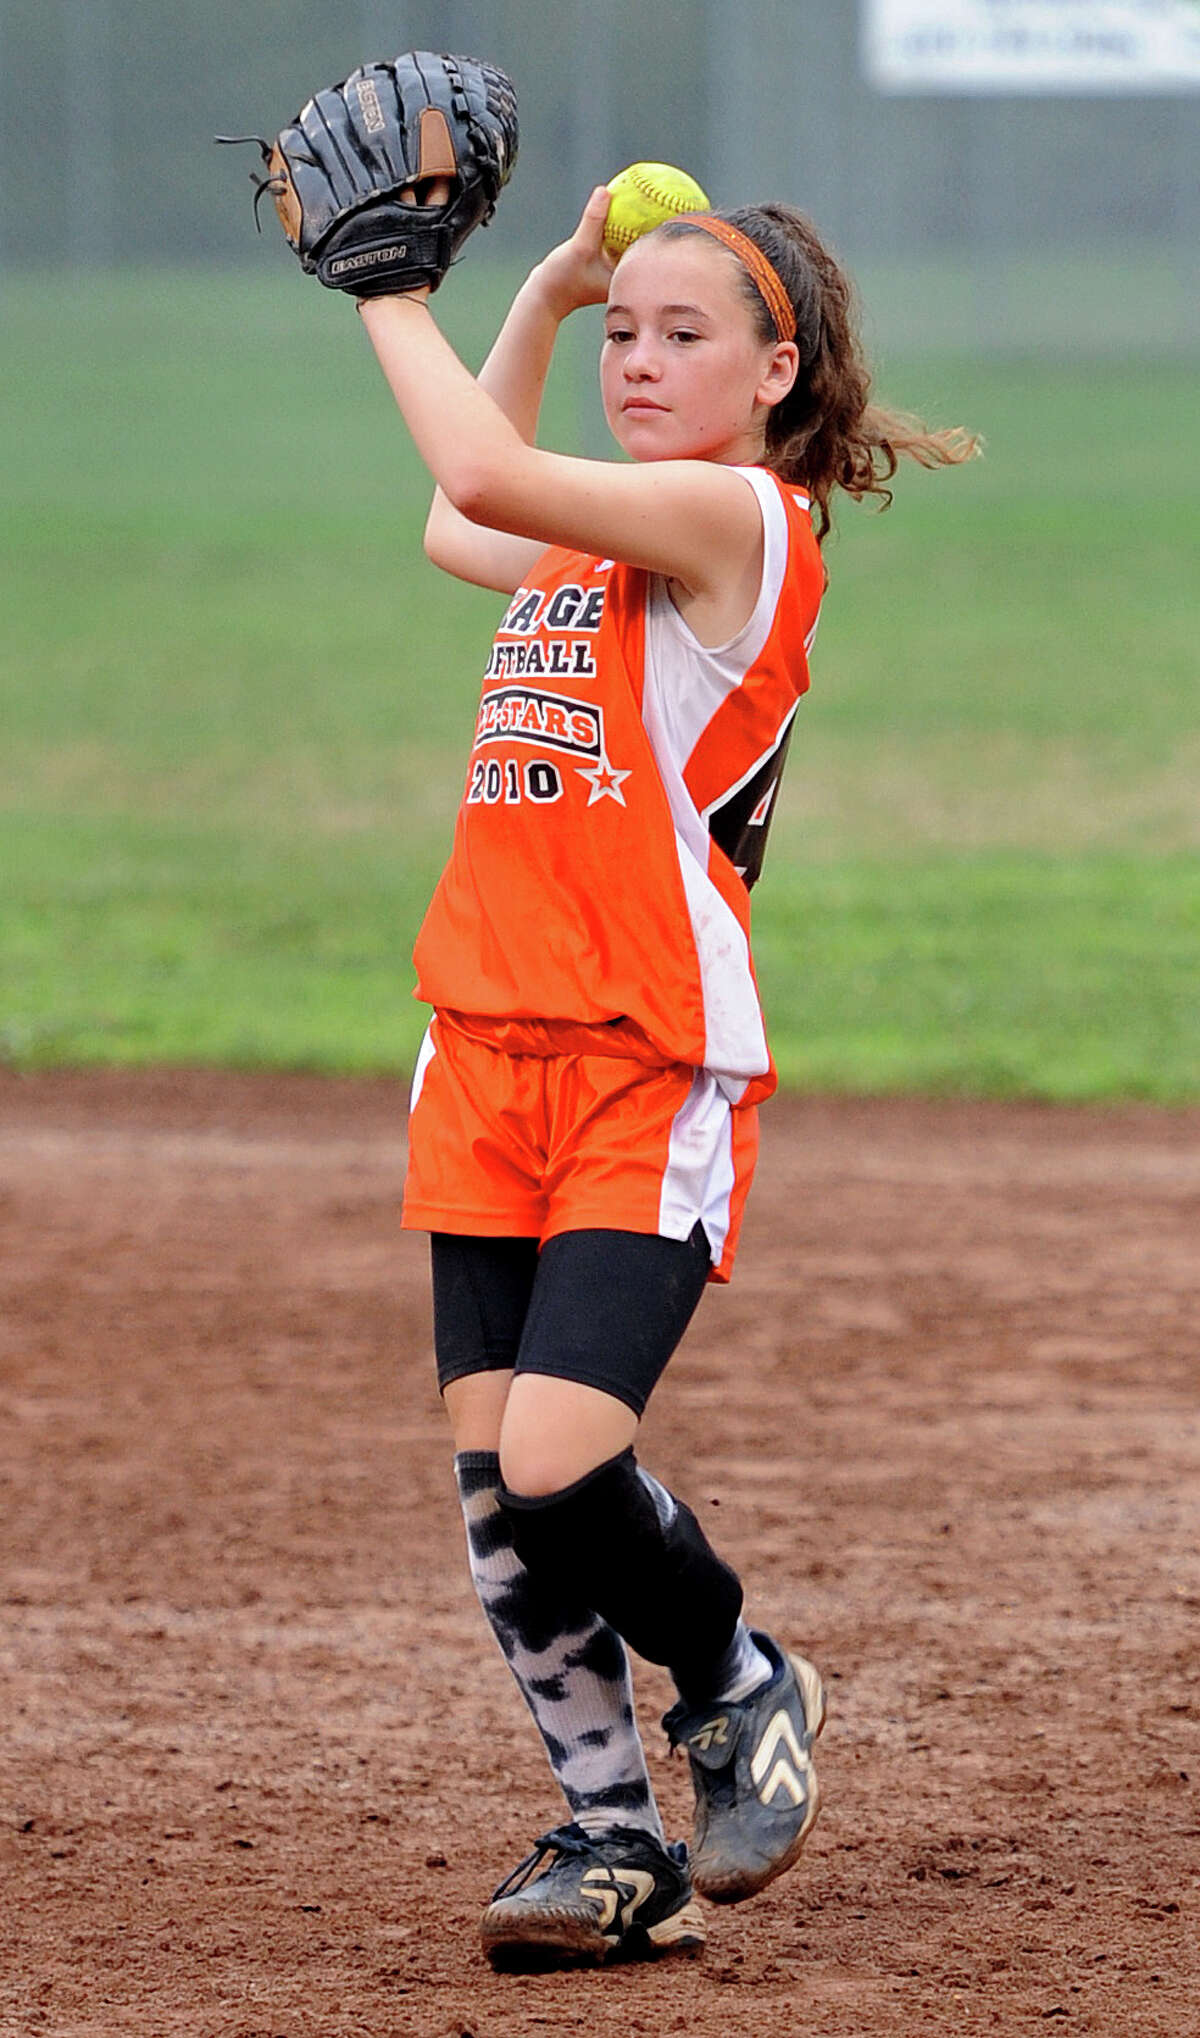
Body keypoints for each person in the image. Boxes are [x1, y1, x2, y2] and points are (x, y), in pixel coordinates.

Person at [356, 184, 975, 1968]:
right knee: (498, 1493)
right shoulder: (601, 541)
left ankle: (737, 1673)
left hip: (647, 1060)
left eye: (681, 333)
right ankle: (612, 1840)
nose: (638, 361)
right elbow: (458, 517)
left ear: (777, 374)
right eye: (624, 334)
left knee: (561, 1461)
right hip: (485, 1047)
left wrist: (390, 293)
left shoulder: (737, 523)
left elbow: (481, 471)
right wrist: (549, 291)